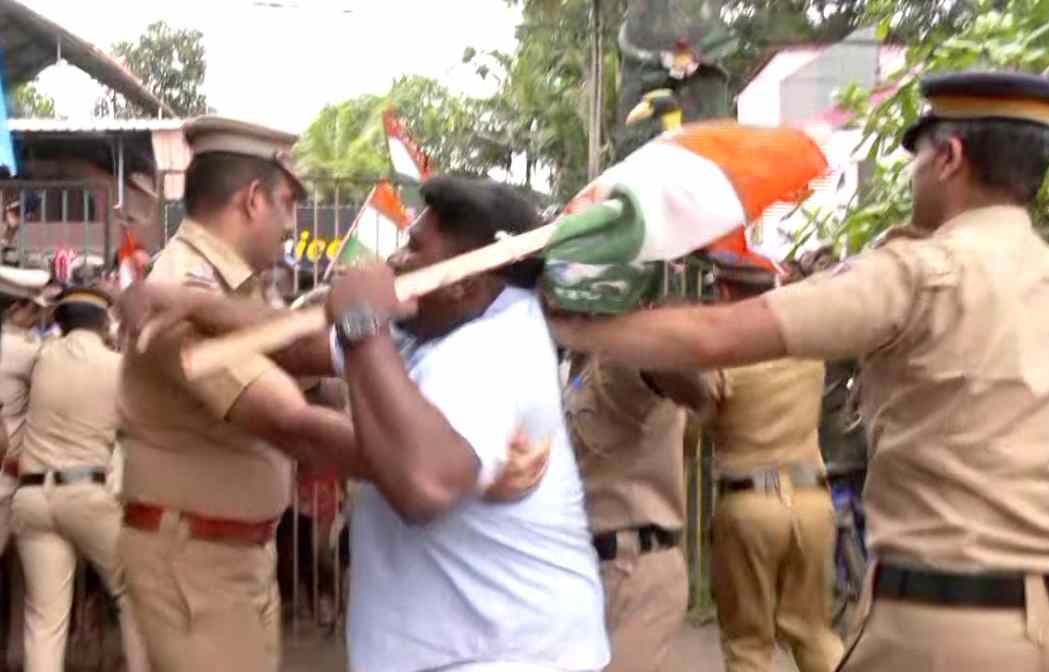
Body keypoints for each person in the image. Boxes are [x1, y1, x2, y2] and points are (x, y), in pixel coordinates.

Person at [549, 71, 1049, 672]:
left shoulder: (915, 274)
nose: (915, 173)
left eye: (918, 158)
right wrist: (1043, 568)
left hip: (943, 627)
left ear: (949, 158)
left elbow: (716, 336)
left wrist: (573, 326)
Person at [121, 175, 610, 672]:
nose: (395, 259)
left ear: (464, 280)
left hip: (504, 656)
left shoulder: (493, 348)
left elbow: (423, 485)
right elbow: (301, 344)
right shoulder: (436, 323)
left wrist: (363, 326)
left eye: (415, 247)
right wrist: (196, 305)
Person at [115, 116, 371, 671]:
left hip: (229, 554)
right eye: (288, 203)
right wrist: (429, 466)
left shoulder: (231, 289)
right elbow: (290, 422)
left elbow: (301, 353)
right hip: (197, 562)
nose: (292, 224)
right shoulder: (180, 287)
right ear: (253, 200)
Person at [704, 264, 843, 672]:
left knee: (749, 644)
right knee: (815, 633)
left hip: (750, 504)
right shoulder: (807, 351)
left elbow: (693, 425)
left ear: (726, 293)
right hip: (812, 501)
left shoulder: (725, 358)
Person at [11, 286, 149, 672]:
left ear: (60, 322)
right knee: (136, 597)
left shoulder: (38, 357)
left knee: (44, 620)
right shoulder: (118, 368)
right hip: (87, 494)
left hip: (32, 497)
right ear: (104, 323)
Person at [563, 348, 716, 671]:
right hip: (589, 568)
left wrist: (640, 332)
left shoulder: (623, 354)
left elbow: (696, 389)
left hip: (632, 565)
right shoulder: (578, 363)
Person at [0, 268, 47, 557]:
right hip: (6, 474)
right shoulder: (25, 351)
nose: (39, 317)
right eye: (34, 310)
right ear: (14, 308)